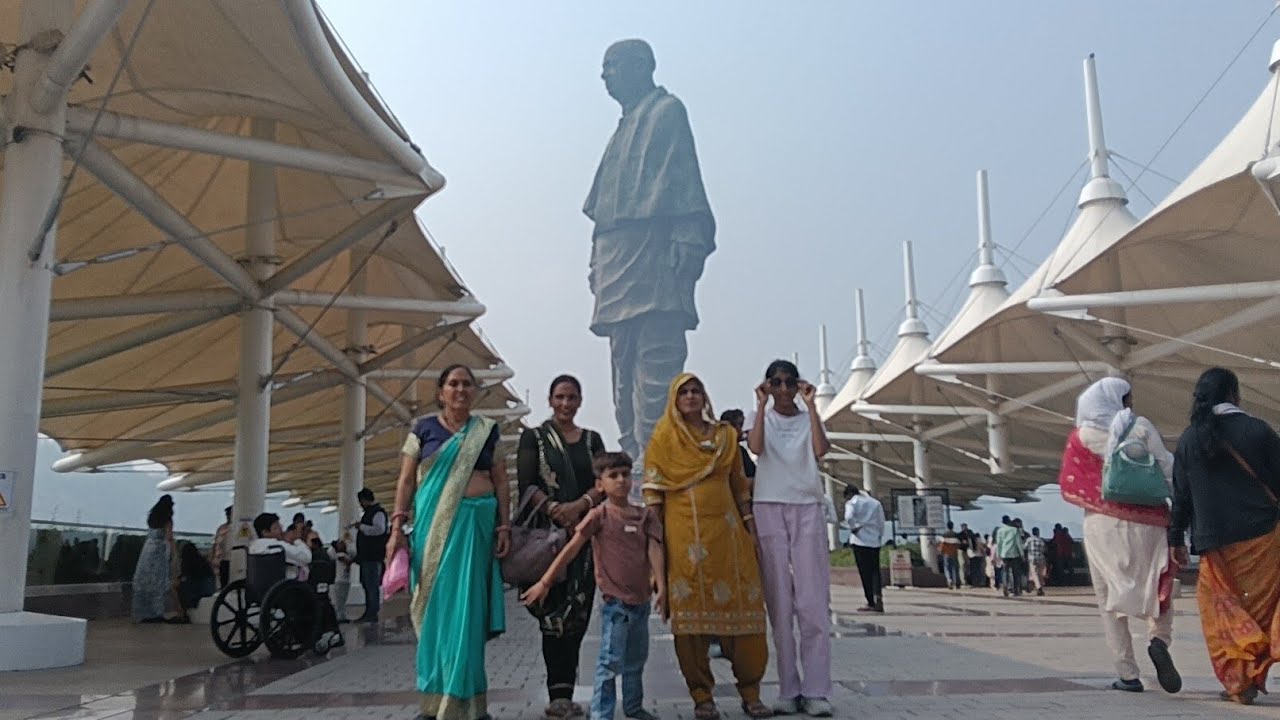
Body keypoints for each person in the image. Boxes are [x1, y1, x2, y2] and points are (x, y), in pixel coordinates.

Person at [584, 39, 716, 463]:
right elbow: (603, 207)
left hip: (654, 251)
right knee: (622, 365)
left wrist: (687, 237)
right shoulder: (622, 126)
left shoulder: (666, 112)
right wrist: (595, 260)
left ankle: (659, 455)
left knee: (657, 357)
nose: (604, 76)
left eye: (611, 66)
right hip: (616, 256)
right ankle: (634, 451)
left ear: (641, 66)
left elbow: (683, 181)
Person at [643, 374, 771, 720]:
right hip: (683, 539)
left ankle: (750, 691)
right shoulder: (663, 439)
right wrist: (653, 553)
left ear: (705, 397)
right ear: (674, 399)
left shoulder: (725, 437)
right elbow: (653, 498)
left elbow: (740, 489)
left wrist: (751, 530)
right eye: (683, 391)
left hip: (728, 539)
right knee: (690, 625)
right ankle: (702, 696)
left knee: (745, 618)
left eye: (696, 390)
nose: (690, 396)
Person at [386, 365, 510, 720]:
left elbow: (501, 481)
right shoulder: (423, 429)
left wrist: (504, 526)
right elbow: (407, 481)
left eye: (467, 384)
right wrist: (397, 527)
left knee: (468, 614)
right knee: (436, 613)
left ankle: (469, 705)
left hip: (477, 529)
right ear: (441, 392)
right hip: (433, 531)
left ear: (474, 392)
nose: (460, 390)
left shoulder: (486, 430)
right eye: (453, 384)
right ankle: (432, 702)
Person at [1059, 377, 1180, 694]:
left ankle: (1127, 674)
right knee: (1159, 587)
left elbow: (1070, 481)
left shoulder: (1080, 437)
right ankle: (1159, 640)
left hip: (1101, 526)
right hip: (1151, 523)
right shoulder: (1140, 427)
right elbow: (1168, 469)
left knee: (1108, 601)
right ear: (1123, 401)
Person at [523, 452, 666, 720]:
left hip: (642, 604)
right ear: (600, 485)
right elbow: (571, 549)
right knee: (609, 663)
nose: (621, 480)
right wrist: (545, 582)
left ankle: (634, 707)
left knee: (636, 661)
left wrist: (662, 586)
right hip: (616, 606)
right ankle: (602, 713)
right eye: (613, 476)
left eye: (625, 474)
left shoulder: (644, 515)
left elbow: (654, 548)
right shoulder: (598, 516)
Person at [1170, 368, 1280, 705]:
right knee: (1260, 609)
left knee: (1220, 613)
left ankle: (1238, 680)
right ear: (1233, 394)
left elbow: (1182, 496)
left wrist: (1175, 538)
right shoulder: (1258, 430)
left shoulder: (1189, 439)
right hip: (1262, 539)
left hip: (1214, 546)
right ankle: (1251, 670)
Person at [516, 375, 607, 719]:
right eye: (560, 397)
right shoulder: (534, 439)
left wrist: (580, 505)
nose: (566, 404)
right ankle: (558, 695)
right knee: (551, 616)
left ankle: (566, 692)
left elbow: (605, 479)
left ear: (580, 400)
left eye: (572, 397)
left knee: (578, 614)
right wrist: (555, 509)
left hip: (583, 538)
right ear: (550, 400)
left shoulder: (592, 440)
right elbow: (527, 483)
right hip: (547, 540)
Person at [746, 360, 833, 717]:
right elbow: (755, 448)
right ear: (768, 384)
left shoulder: (807, 416)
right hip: (768, 505)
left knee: (812, 603)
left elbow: (820, 450)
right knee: (779, 603)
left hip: (807, 505)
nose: (783, 389)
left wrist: (812, 406)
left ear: (799, 385)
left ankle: (816, 690)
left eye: (789, 383)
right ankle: (788, 687)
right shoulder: (761, 417)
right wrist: (761, 405)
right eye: (776, 382)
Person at [132, 495, 181, 623]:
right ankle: (156, 612)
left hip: (148, 550)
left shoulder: (152, 518)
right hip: (159, 551)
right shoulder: (167, 520)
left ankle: (143, 612)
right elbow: (169, 537)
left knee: (145, 580)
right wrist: (175, 554)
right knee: (158, 581)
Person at [844, 484, 885, 613]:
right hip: (874, 541)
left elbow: (849, 517)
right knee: (875, 571)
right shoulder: (875, 503)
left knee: (865, 572)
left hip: (860, 541)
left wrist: (853, 527)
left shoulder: (852, 503)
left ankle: (870, 602)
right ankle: (878, 597)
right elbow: (881, 522)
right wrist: (879, 536)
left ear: (849, 494)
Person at [353, 488, 389, 624]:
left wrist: (362, 527)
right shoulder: (371, 513)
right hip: (367, 556)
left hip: (373, 556)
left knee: (371, 584)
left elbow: (379, 529)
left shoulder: (377, 513)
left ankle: (372, 612)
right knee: (367, 584)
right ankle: (369, 610)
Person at [248, 512, 312, 579]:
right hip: (285, 586)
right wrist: (296, 540)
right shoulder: (279, 547)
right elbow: (307, 557)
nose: (281, 528)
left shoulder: (253, 546)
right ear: (265, 533)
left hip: (260, 586)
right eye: (276, 527)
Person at [177, 540, 215, 611]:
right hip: (209, 592)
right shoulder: (203, 563)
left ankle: (182, 612)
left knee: (179, 588)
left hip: (197, 596)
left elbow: (186, 580)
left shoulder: (187, 564)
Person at [328, 539, 353, 623]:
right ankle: (339, 616)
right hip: (340, 580)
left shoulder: (347, 554)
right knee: (340, 600)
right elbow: (347, 561)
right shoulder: (339, 555)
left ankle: (342, 615)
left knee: (343, 599)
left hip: (346, 580)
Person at [210, 506, 231, 588]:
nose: (228, 517)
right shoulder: (222, 528)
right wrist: (212, 558)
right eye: (227, 515)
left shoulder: (234, 528)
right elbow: (216, 544)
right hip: (221, 560)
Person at [939, 522, 963, 590]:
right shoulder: (956, 535)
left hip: (946, 553)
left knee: (947, 568)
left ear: (947, 526)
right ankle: (956, 582)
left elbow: (942, 545)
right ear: (953, 526)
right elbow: (959, 544)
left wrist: (941, 551)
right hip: (954, 553)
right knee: (955, 568)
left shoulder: (944, 535)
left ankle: (950, 581)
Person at [1025, 528, 1048, 597]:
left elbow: (1025, 547)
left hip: (1032, 558)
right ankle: (1041, 587)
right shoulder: (1041, 540)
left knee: (1034, 573)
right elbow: (1044, 550)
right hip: (1041, 558)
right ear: (1038, 532)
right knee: (1040, 574)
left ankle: (1038, 587)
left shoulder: (1029, 540)